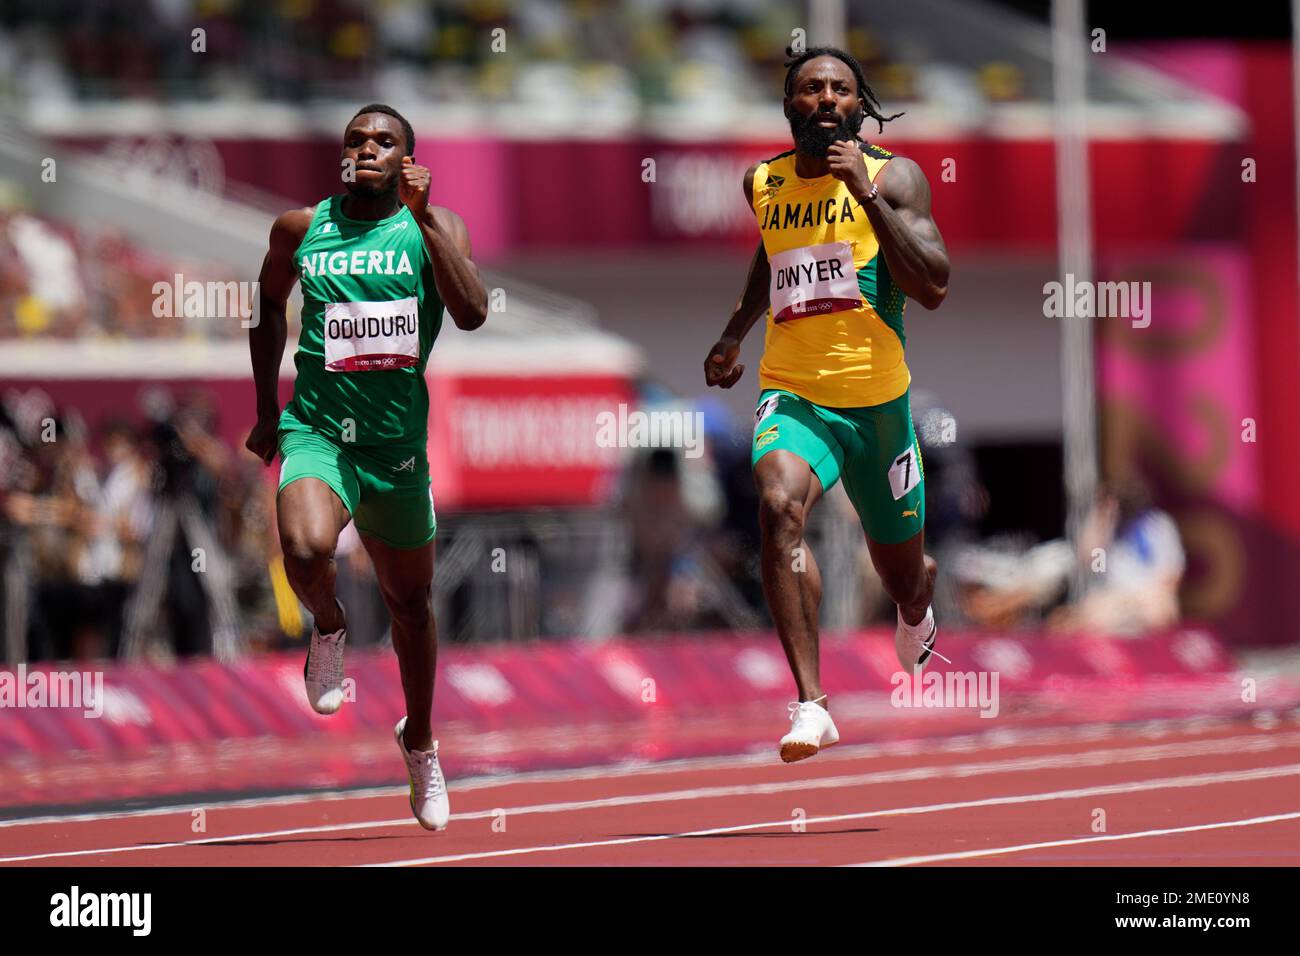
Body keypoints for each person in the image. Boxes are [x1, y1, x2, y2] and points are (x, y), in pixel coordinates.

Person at [245, 104, 487, 830]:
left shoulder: (435, 228)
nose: (368, 148)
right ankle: (328, 625)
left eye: (385, 140)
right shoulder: (299, 229)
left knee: (411, 605)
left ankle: (419, 741)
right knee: (309, 547)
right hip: (320, 431)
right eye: (357, 139)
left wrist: (425, 219)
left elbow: (472, 311)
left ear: (409, 158)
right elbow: (265, 308)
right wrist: (265, 409)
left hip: (398, 449)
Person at [704, 47, 950, 762]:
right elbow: (771, 251)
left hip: (878, 406)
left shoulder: (892, 178)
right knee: (778, 507)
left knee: (900, 574)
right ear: (789, 106)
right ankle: (811, 704)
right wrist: (732, 332)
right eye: (811, 89)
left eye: (841, 90)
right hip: (795, 393)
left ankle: (915, 598)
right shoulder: (765, 181)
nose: (826, 100)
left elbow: (934, 286)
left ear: (859, 104)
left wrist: (866, 197)